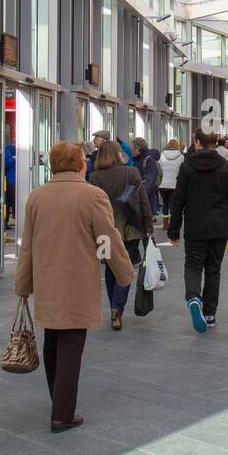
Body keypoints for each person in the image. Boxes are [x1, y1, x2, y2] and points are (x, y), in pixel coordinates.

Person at [15, 141, 134, 433]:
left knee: (53, 339)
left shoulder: (36, 197)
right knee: (72, 343)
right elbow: (107, 238)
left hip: (46, 279)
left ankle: (59, 400)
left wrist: (23, 285)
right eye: (83, 158)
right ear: (78, 164)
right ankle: (62, 413)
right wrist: (124, 272)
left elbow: (27, 246)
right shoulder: (92, 196)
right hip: (78, 279)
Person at [168, 130, 228, 333]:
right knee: (213, 269)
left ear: (197, 142)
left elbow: (179, 200)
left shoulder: (187, 167)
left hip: (195, 225)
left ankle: (193, 297)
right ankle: (210, 313)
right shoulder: (226, 167)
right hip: (219, 227)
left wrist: (173, 230)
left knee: (193, 266)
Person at [88, 140, 153, 331]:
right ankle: (117, 307)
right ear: (117, 154)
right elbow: (143, 201)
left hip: (104, 232)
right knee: (125, 268)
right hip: (129, 229)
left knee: (110, 268)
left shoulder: (95, 177)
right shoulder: (131, 172)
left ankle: (113, 307)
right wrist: (148, 224)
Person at [130, 137, 160, 217]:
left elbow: (149, 182)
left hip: (145, 201)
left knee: (145, 227)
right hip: (137, 201)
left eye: (132, 148)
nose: (130, 150)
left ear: (138, 149)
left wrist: (138, 197)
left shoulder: (149, 161)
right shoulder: (137, 160)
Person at [158, 139, 185, 219]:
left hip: (163, 184)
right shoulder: (181, 157)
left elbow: (160, 168)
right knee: (173, 204)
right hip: (174, 184)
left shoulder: (162, 155)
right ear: (177, 145)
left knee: (165, 204)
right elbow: (182, 171)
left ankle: (165, 224)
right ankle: (172, 223)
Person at [4, 134, 17, 227]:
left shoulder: (11, 149)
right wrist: (14, 159)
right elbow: (5, 163)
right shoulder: (8, 149)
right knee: (10, 202)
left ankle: (6, 222)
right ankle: (5, 222)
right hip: (11, 181)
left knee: (10, 202)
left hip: (12, 180)